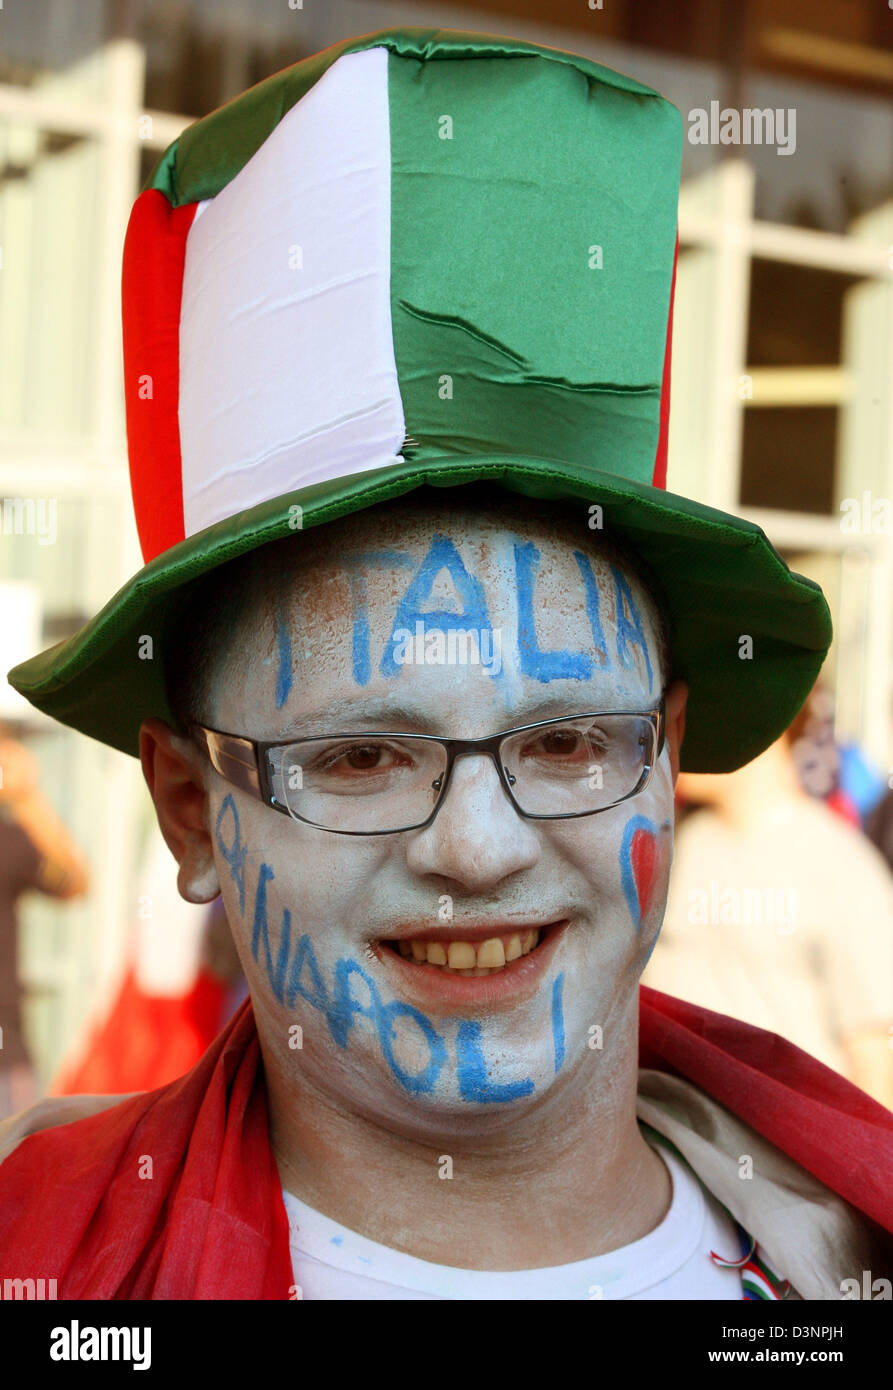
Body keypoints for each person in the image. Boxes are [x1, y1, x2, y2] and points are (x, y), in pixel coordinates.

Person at [0, 28, 891, 1302]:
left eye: (566, 741)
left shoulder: (855, 1251)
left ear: (667, 759)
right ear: (190, 810)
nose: (477, 847)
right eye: (362, 754)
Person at [643, 733, 893, 1106]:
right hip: (671, 1141)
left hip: (789, 1150)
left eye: (697, 721)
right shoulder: (677, 846)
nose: (677, 739)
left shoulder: (840, 862)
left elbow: (876, 1059)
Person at [0, 726, 89, 1119]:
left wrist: (26, 797)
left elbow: (72, 881)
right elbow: (75, 880)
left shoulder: (9, 840)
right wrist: (26, 795)